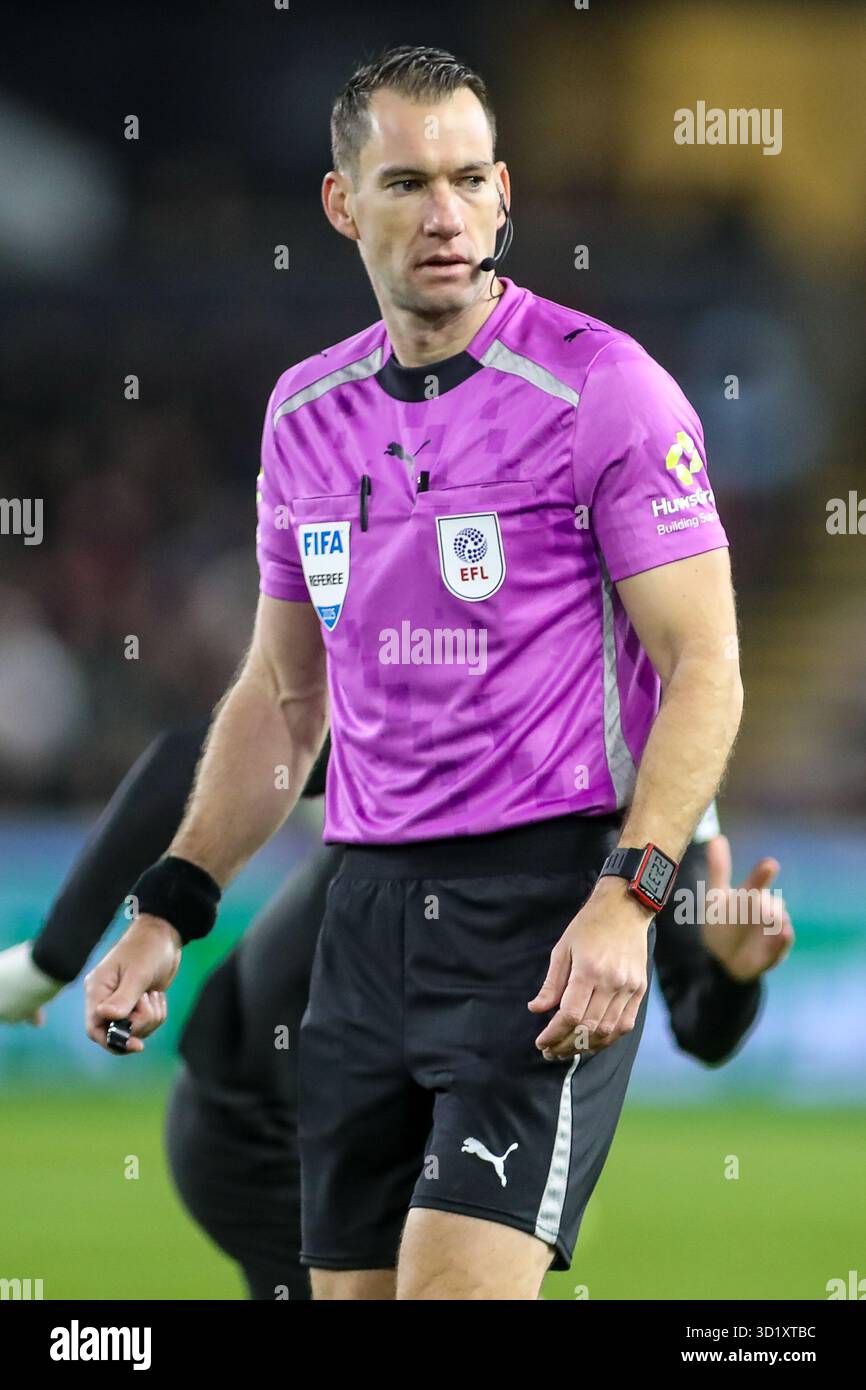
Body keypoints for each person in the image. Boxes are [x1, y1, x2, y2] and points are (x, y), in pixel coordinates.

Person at [82, 45, 749, 1299]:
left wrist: (629, 896)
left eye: (466, 181)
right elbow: (283, 698)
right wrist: (170, 904)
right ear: (343, 205)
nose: (443, 215)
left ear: (502, 194)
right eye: (404, 183)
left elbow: (703, 660)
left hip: (546, 907)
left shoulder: (604, 389)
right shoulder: (303, 415)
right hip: (365, 912)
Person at [0, 721, 793, 1299]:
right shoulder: (497, 698)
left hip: (384, 1129)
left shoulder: (669, 814)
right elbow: (206, 754)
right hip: (258, 1119)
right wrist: (48, 963)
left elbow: (702, 1027)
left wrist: (731, 972)